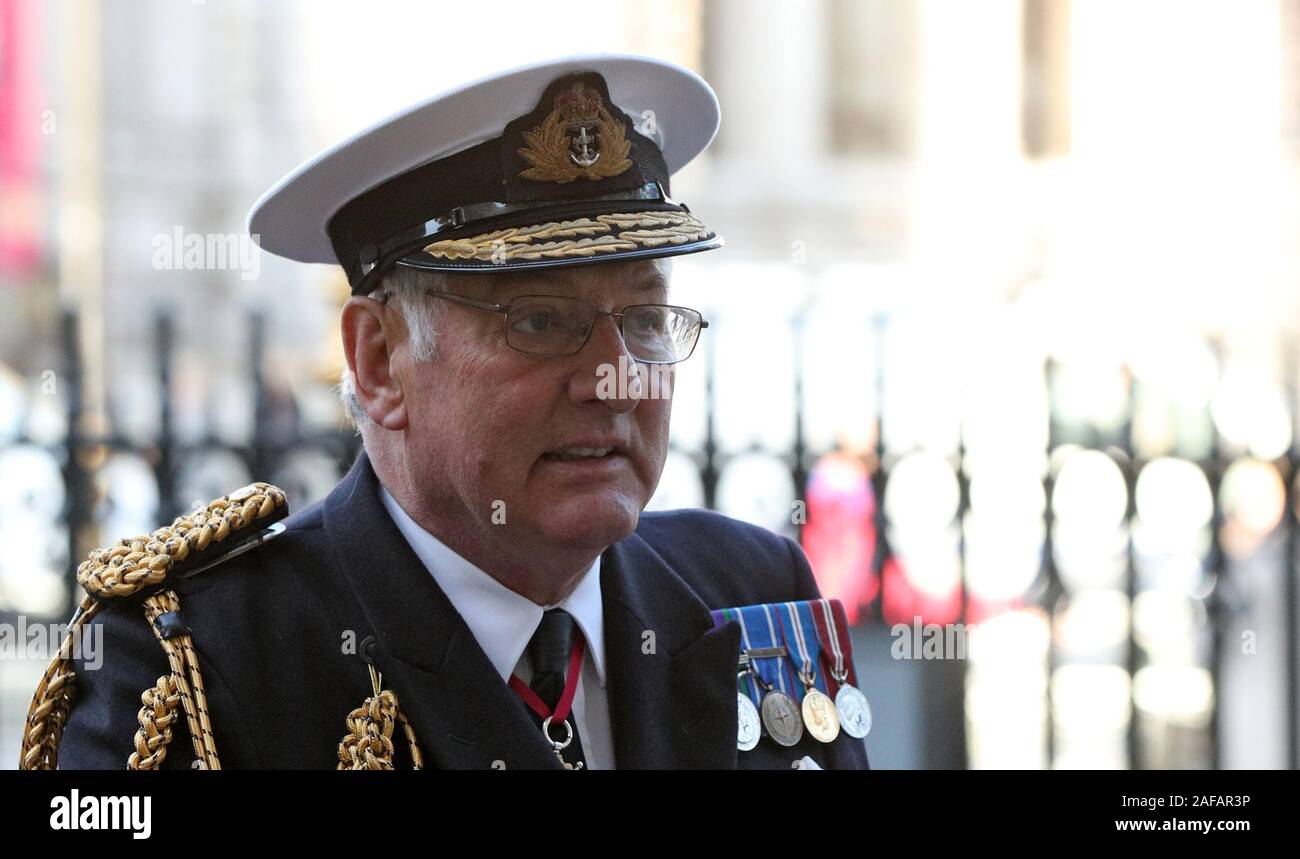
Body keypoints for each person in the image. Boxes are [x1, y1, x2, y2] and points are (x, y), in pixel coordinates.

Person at [42, 54, 871, 770]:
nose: (615, 378)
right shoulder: (195, 664)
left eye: (647, 320)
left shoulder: (751, 590)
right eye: (542, 321)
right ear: (378, 361)